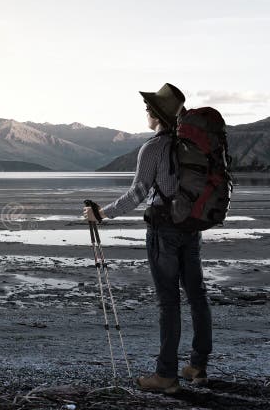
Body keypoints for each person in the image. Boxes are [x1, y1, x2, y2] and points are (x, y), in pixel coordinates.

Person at [83, 83, 211, 394]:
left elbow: (138, 193)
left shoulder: (153, 148)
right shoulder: (193, 146)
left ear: (156, 113)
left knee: (169, 303)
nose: (146, 111)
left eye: (149, 107)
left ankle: (166, 375)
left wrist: (102, 214)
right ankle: (198, 366)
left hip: (164, 231)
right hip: (191, 228)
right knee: (196, 295)